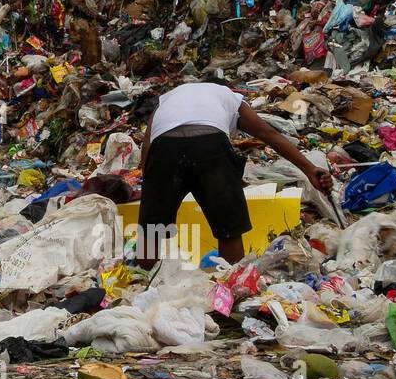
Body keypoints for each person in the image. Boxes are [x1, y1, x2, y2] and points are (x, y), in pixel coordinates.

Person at [136, 80, 333, 267]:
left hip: (164, 148)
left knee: (152, 229)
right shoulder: (228, 95)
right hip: (211, 145)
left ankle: (142, 283)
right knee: (229, 229)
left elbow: (147, 144)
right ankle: (234, 284)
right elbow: (268, 134)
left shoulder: (167, 98)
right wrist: (309, 169)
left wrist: (153, 188)